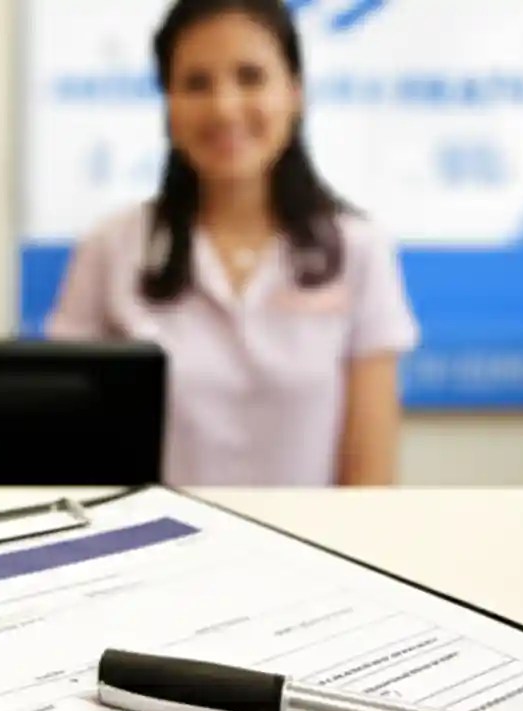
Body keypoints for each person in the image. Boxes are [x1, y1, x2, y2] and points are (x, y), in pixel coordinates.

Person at [46, 0, 419, 487]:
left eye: (250, 77)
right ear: (169, 104)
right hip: (154, 554)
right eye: (197, 83)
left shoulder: (359, 250)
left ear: (294, 92)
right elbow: (71, 452)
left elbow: (370, 483)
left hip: (313, 556)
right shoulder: (109, 248)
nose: (224, 107)